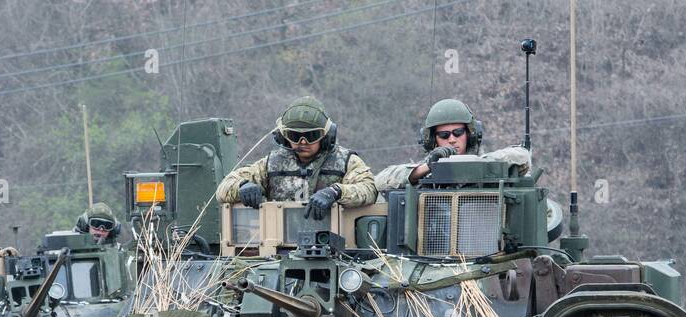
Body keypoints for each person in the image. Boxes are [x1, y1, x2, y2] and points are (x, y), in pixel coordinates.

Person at [215, 96, 376, 219]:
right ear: (283, 137)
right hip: (279, 246)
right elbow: (223, 189)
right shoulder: (271, 164)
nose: (303, 142)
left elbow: (369, 189)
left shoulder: (346, 161)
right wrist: (242, 186)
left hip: (333, 244)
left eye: (311, 136)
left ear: (326, 136)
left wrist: (335, 192)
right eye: (295, 136)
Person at [374, 99, 532, 192]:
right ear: (432, 140)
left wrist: (472, 165)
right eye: (444, 135)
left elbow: (522, 157)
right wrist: (428, 167)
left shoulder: (489, 168)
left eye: (457, 132)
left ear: (469, 135)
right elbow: (379, 181)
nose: (451, 139)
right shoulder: (426, 174)